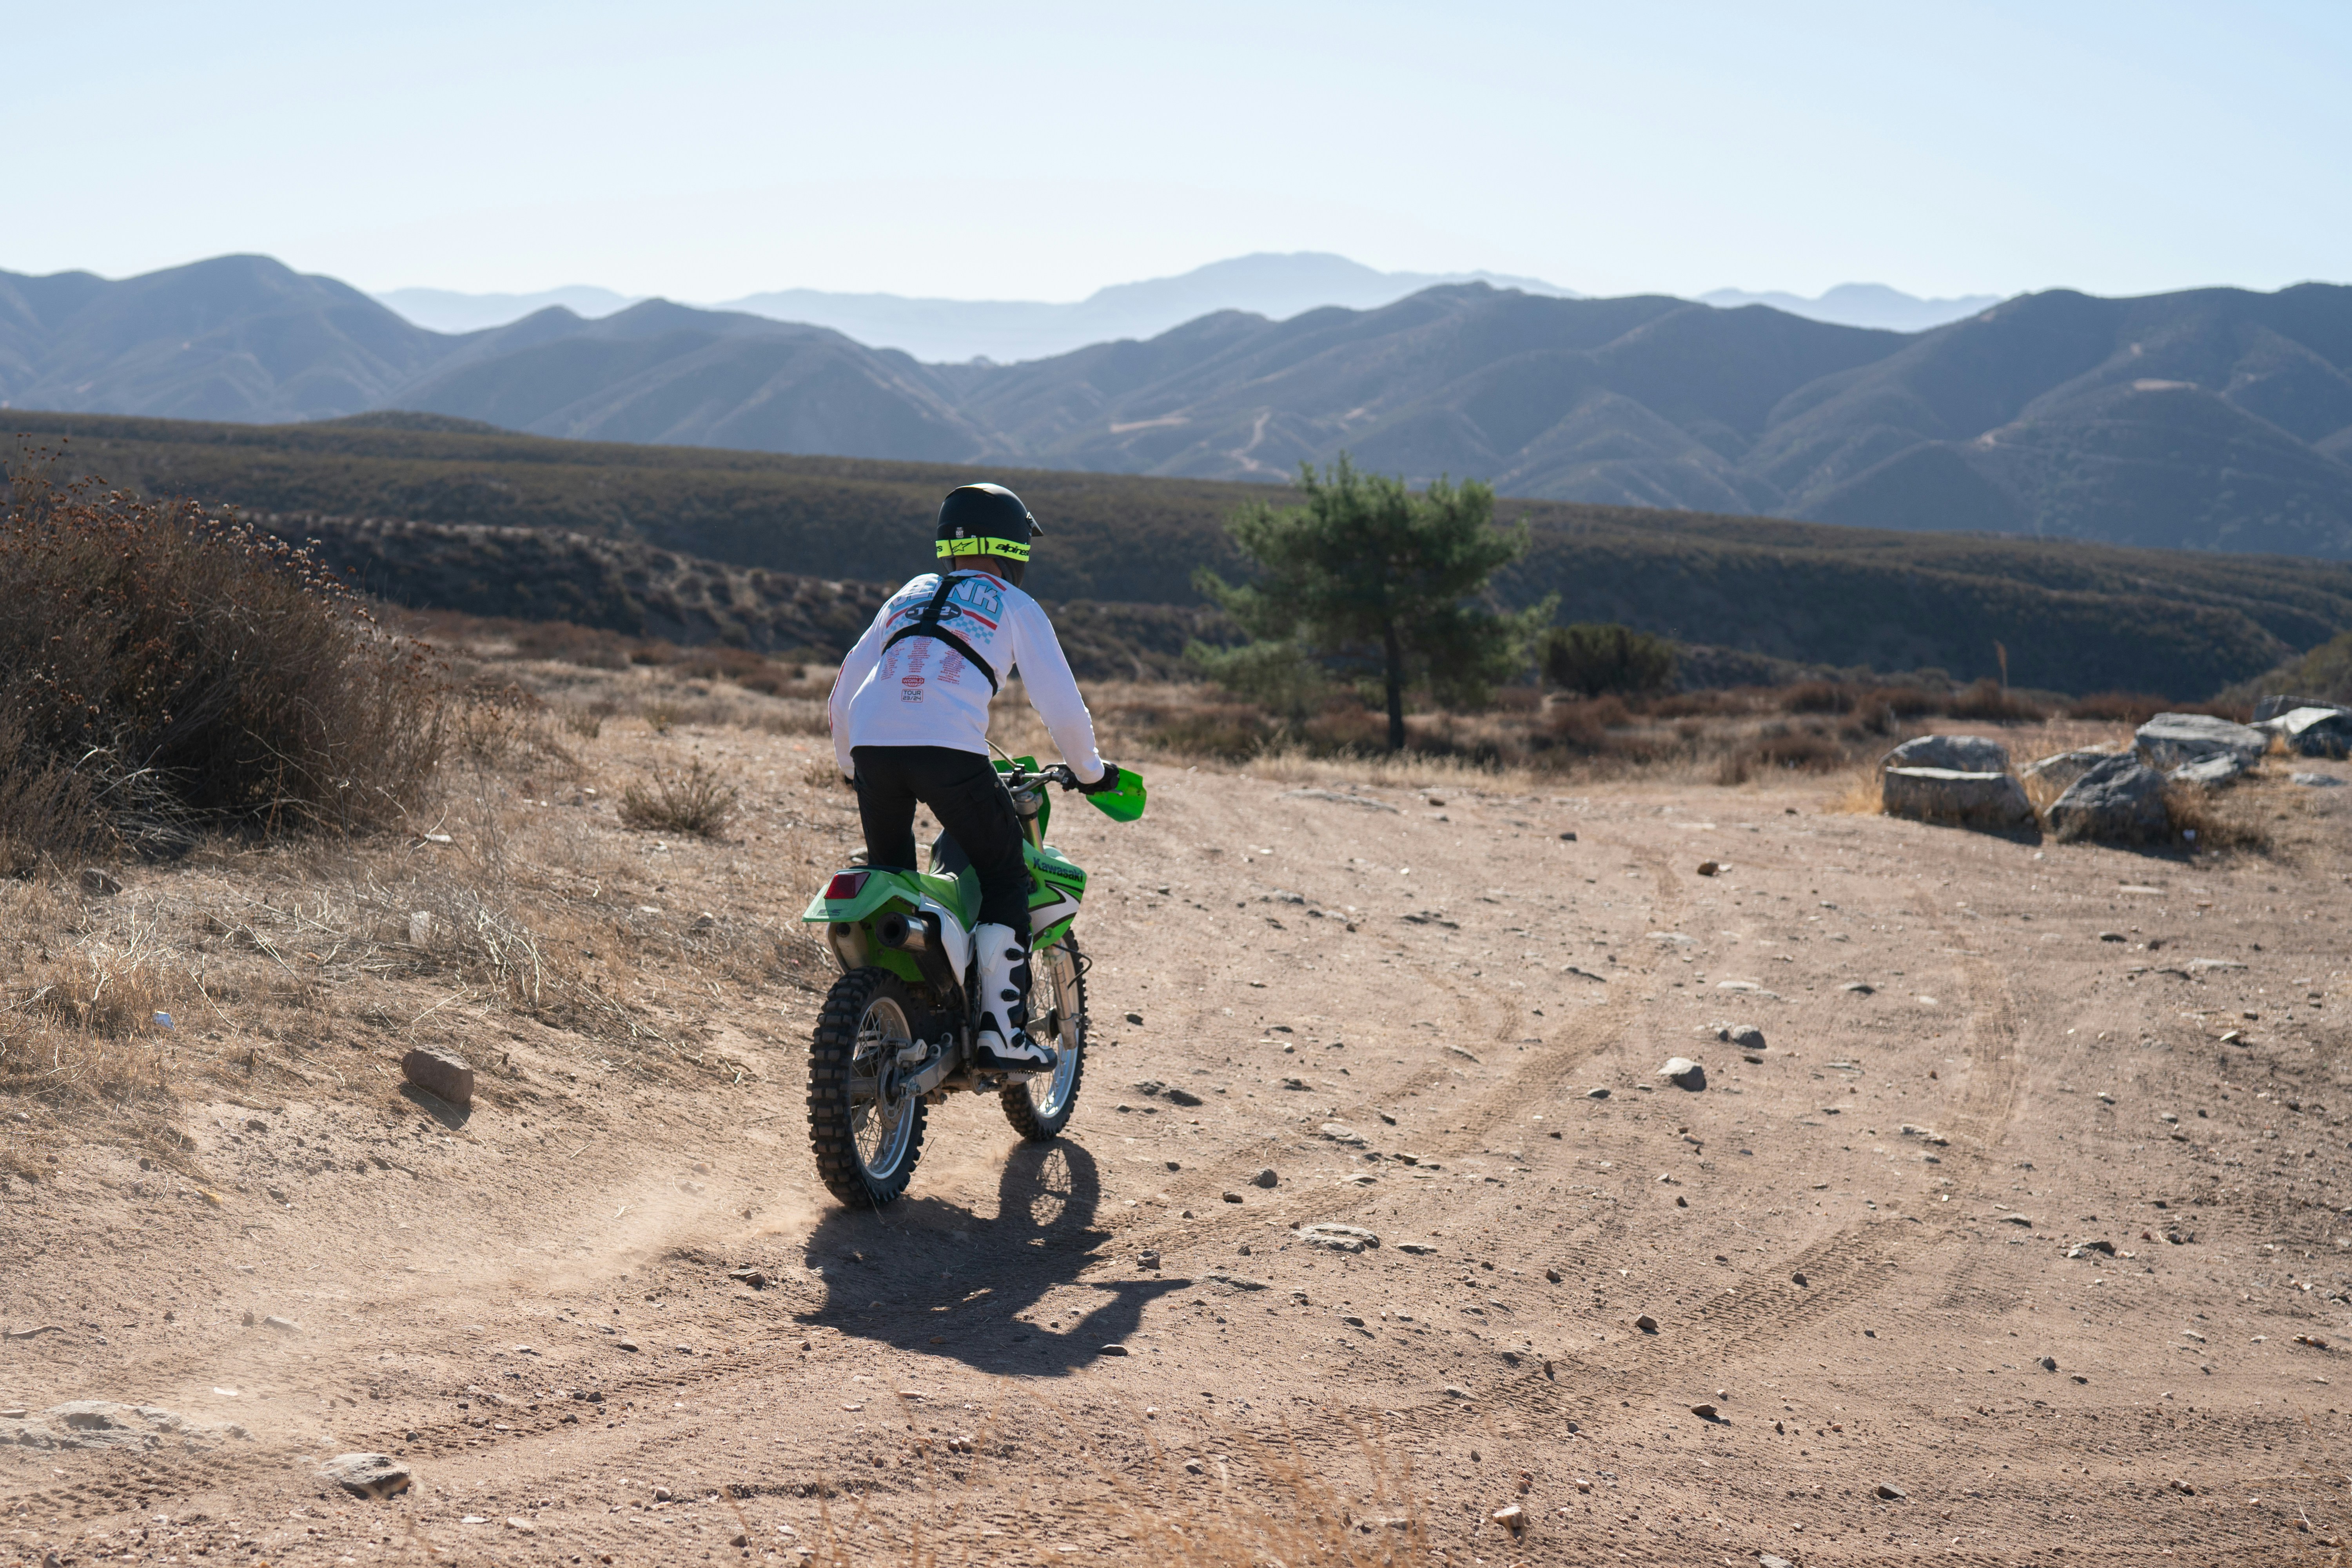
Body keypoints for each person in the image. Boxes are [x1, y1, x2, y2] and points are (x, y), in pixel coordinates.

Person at [827, 483, 1124, 1072]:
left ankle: (902, 1019)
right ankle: (1000, 1035)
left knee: (896, 880)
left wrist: (849, 766)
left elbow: (843, 692)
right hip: (951, 756)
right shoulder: (1015, 607)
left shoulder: (909, 594)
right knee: (1003, 876)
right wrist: (1090, 773)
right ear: (1014, 549)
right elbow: (1061, 706)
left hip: (873, 752)